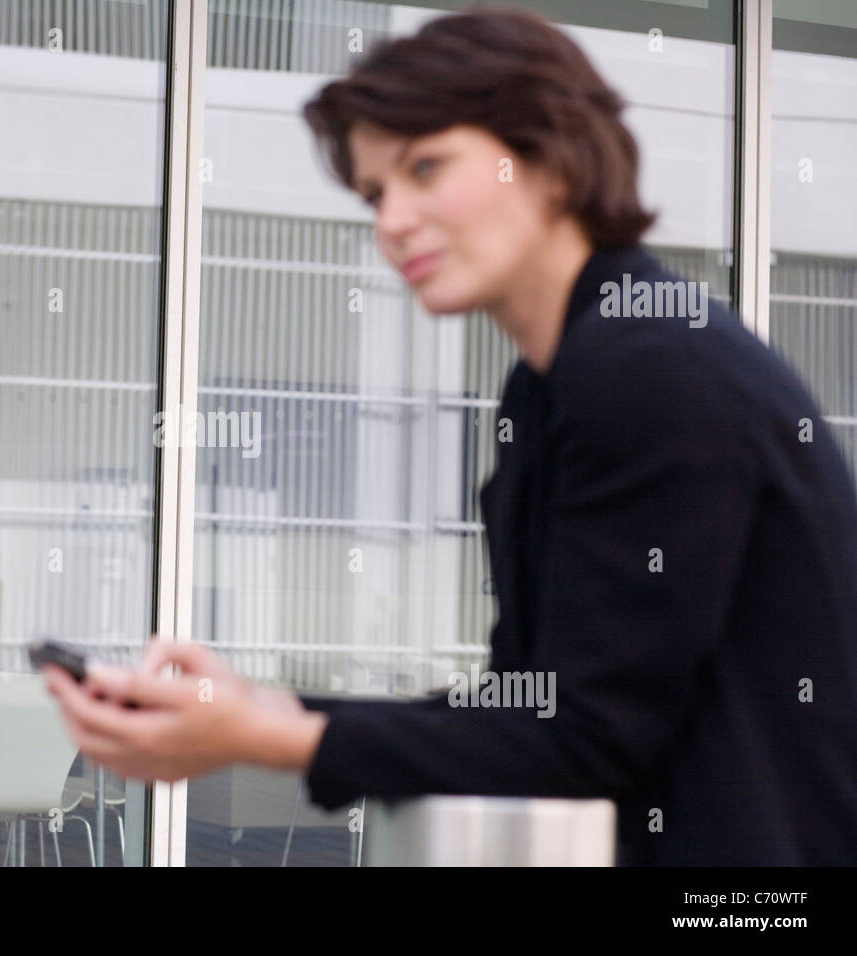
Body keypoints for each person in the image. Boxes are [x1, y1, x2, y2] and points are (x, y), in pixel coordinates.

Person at [43, 8, 857, 865]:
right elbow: (528, 706)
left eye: (425, 168)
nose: (392, 220)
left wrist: (272, 737)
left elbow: (587, 740)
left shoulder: (648, 365)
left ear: (549, 157)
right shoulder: (561, 378)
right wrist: (268, 710)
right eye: (375, 193)